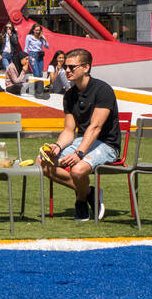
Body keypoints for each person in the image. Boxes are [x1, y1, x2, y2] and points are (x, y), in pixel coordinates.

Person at [39, 48, 122, 222]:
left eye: (71, 67)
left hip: (106, 144)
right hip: (82, 141)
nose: (66, 70)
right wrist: (58, 146)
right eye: (65, 67)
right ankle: (89, 193)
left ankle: (81, 201)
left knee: (77, 170)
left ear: (86, 68)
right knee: (42, 161)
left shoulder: (103, 90)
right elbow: (69, 130)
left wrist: (79, 154)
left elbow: (95, 127)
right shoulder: (69, 95)